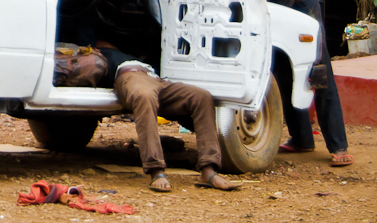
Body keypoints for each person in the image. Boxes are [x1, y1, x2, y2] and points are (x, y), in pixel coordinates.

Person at [53, 45, 238, 193]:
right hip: (130, 77)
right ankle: (156, 170)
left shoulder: (141, 50)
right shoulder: (100, 54)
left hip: (157, 79)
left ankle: (208, 170)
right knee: (144, 96)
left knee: (201, 96)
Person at [250, 0, 352, 166]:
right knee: (283, 74)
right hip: (278, 11)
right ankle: (302, 138)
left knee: (319, 72)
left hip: (301, 5)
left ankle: (339, 146)